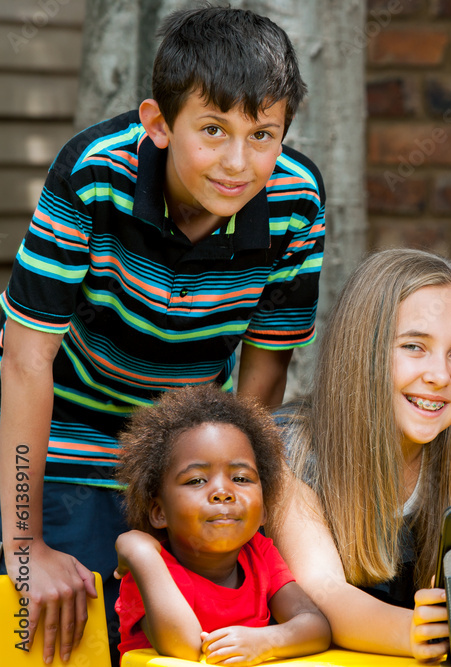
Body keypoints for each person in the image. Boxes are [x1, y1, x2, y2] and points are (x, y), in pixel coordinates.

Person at [0, 7, 324, 664]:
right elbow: (26, 361)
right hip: (64, 431)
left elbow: (263, 376)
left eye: (263, 134)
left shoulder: (296, 203)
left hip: (186, 453)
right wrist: (25, 546)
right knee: (62, 624)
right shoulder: (95, 173)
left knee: (198, 637)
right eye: (213, 130)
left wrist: (234, 496)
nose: (238, 162)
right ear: (159, 123)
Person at [269, 249, 451, 663]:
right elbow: (322, 590)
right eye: (414, 346)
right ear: (362, 350)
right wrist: (413, 631)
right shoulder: (289, 449)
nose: (440, 376)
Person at [113, 385, 331, 663]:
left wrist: (266, 642)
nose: (222, 492)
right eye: (196, 480)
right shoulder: (150, 568)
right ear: (159, 512)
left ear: (264, 510)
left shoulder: (259, 553)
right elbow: (186, 650)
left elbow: (315, 626)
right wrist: (141, 553)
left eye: (240, 478)